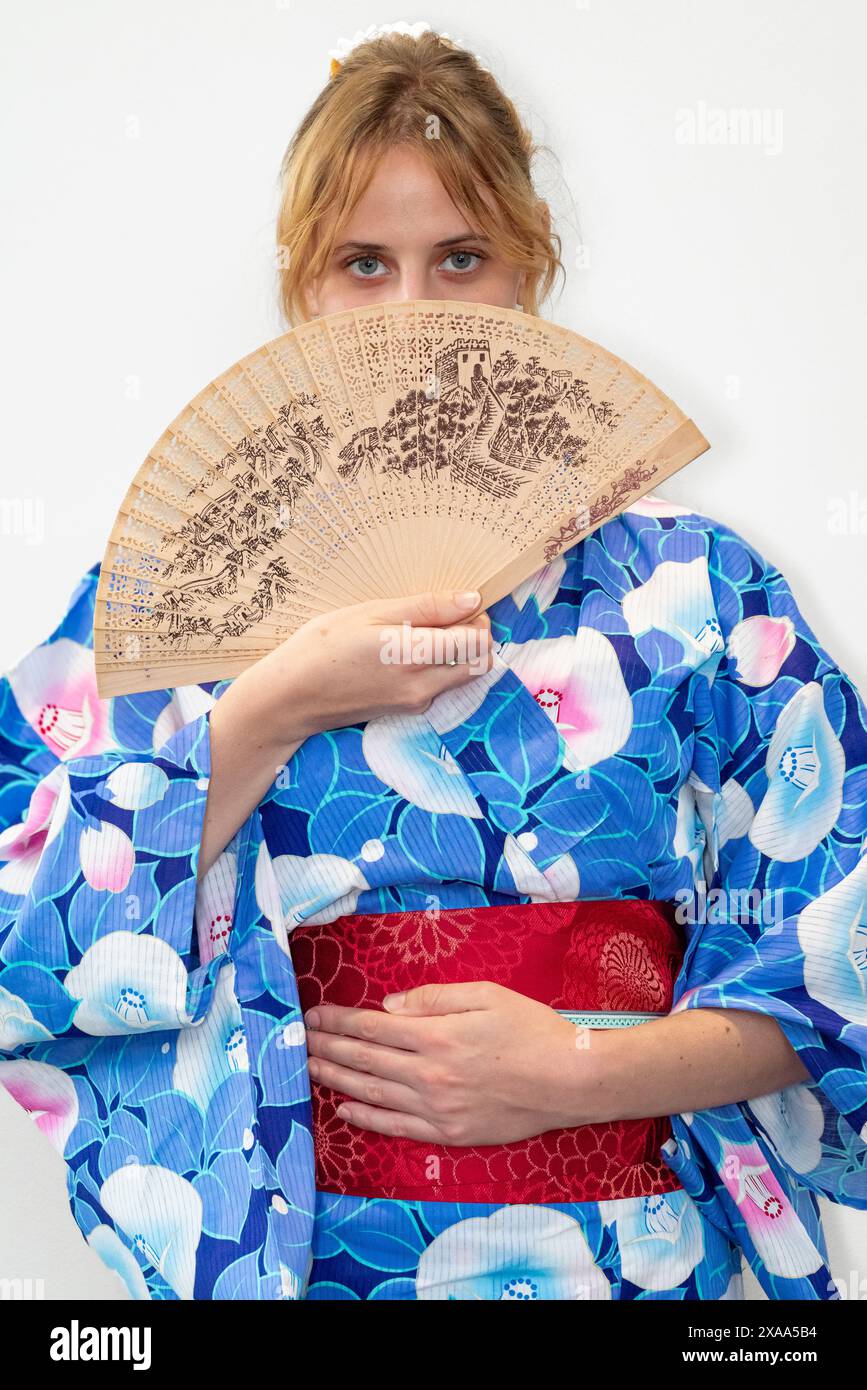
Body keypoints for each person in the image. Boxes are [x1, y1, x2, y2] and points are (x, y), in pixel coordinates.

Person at [1, 22, 866, 1302]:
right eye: (364, 265)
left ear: (531, 274)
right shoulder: (171, 601)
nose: (415, 315)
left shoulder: (697, 591)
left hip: (632, 1261)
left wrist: (580, 1069)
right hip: (311, 1263)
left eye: (461, 258)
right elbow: (19, 940)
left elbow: (840, 941)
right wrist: (275, 706)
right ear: (303, 292)